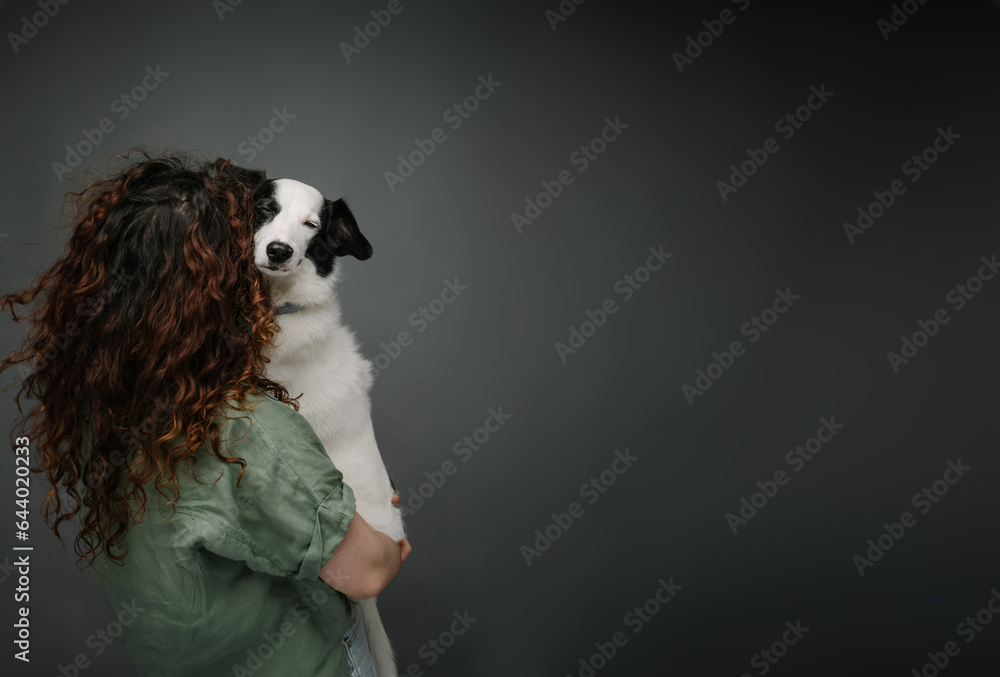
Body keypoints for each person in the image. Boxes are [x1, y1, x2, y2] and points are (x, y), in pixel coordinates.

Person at [1, 153, 410, 676]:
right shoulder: (248, 427)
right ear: (214, 287)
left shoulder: (91, 401)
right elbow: (369, 570)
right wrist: (391, 545)